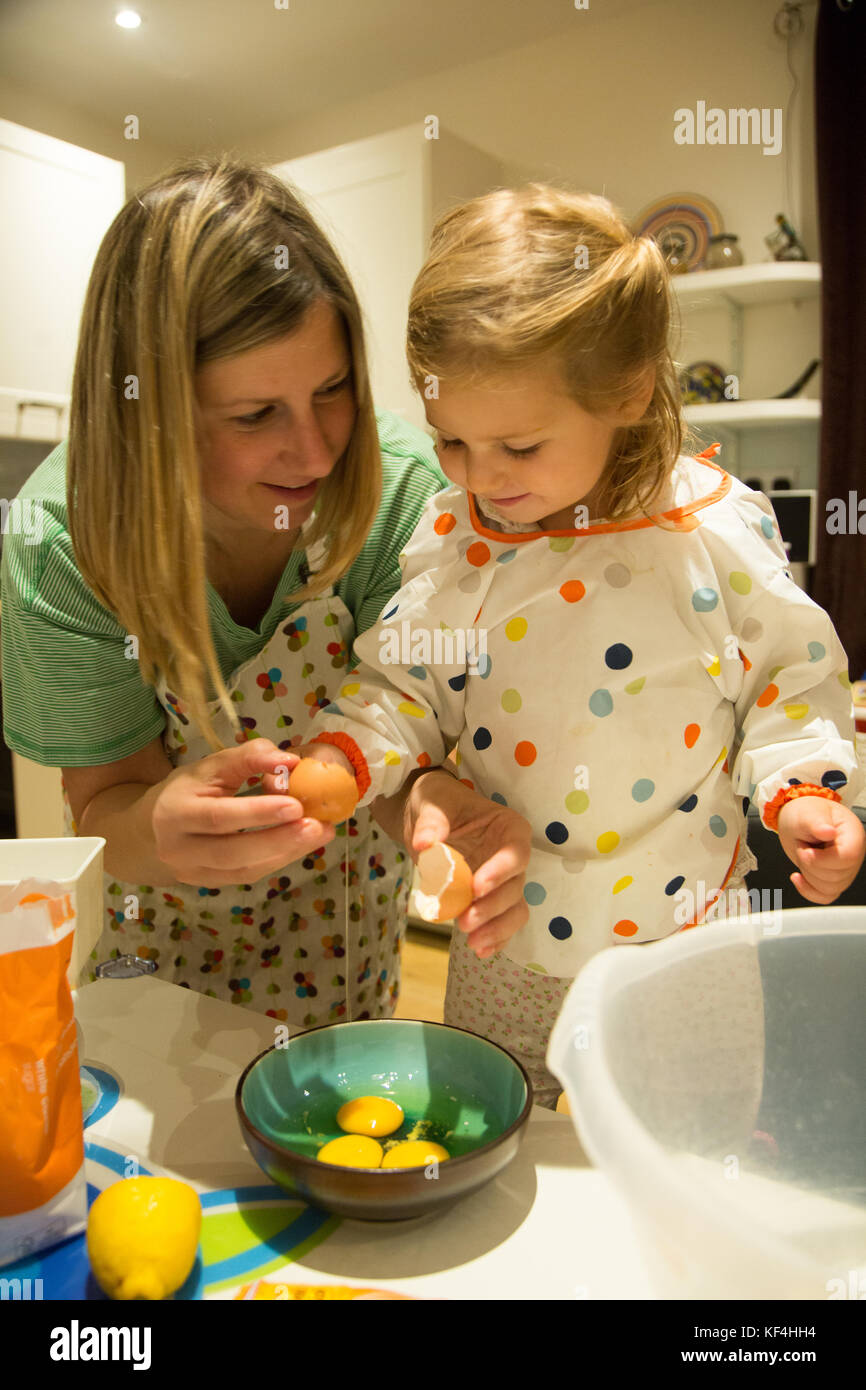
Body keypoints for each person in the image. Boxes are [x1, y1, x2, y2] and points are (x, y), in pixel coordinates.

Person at [291, 184, 866, 1106]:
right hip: (504, 944)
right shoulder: (460, 535)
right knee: (505, 1162)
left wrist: (802, 793)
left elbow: (789, 682)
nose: (480, 477)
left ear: (628, 392)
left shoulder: (708, 532)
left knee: (681, 1154)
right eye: (451, 441)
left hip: (684, 951)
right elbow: (403, 685)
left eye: (518, 446)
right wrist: (348, 749)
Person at [0, 157, 532, 1025]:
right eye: (254, 417)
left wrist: (439, 807)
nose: (318, 452)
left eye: (333, 391)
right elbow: (103, 806)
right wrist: (159, 825)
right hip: (159, 978)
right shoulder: (69, 542)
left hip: (356, 951)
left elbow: (403, 746)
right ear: (149, 417)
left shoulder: (400, 494)